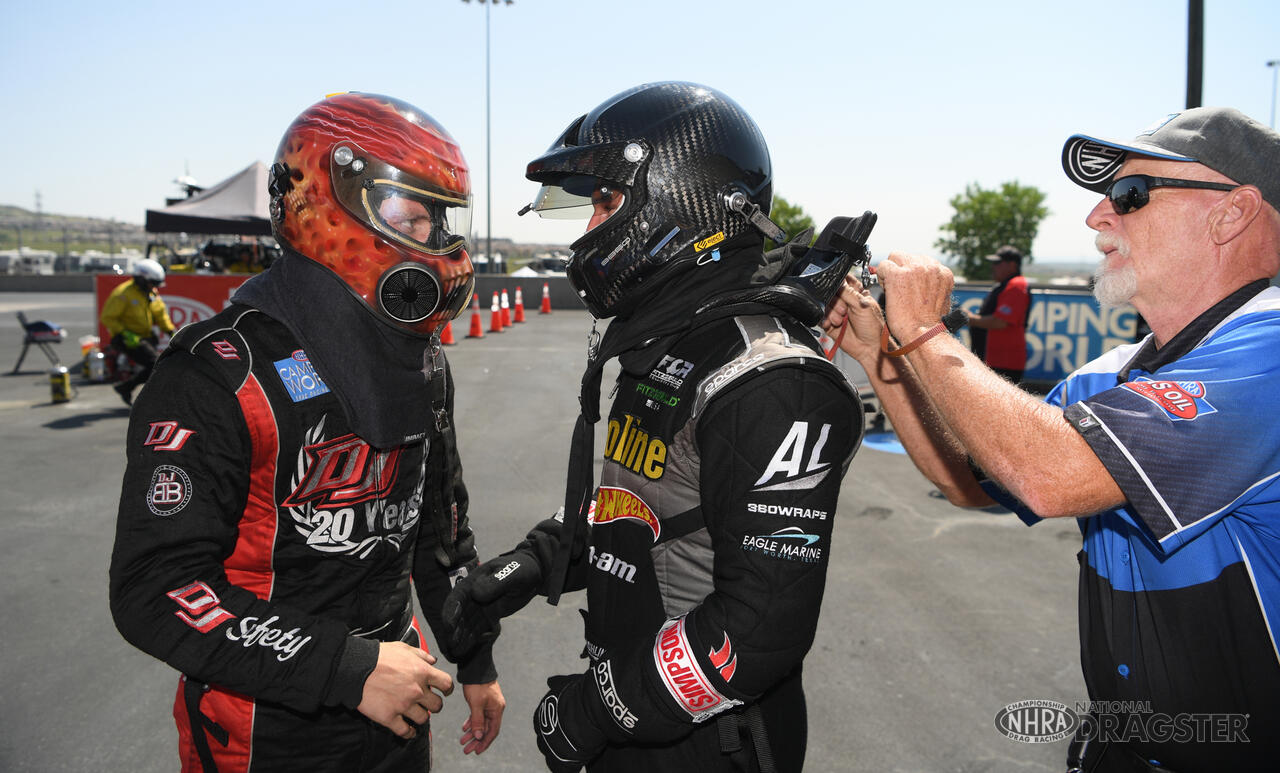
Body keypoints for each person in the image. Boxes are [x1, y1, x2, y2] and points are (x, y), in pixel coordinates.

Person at [825, 106, 1280, 772]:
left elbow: (1051, 474)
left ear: (1232, 213)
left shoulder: (1268, 353)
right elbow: (971, 481)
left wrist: (924, 331)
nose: (1098, 217)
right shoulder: (1111, 372)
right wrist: (883, 358)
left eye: (1130, 195)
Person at [440, 81, 863, 772]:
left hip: (709, 747)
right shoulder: (672, 340)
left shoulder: (771, 378)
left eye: (606, 203)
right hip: (643, 728)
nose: (588, 228)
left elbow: (756, 634)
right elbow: (654, 509)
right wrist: (535, 562)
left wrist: (594, 712)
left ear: (681, 198)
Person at [109, 92, 505, 772]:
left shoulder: (422, 359)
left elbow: (438, 530)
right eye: (412, 214)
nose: (439, 241)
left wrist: (475, 654)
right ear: (328, 202)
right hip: (269, 725)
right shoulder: (217, 374)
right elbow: (156, 585)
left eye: (441, 219)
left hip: (398, 703)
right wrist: (345, 667)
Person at [100, 257, 177, 405]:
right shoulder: (123, 293)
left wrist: (172, 333)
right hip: (124, 338)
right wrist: (124, 333)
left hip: (145, 337)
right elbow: (108, 317)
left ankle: (128, 388)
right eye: (151, 283)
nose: (154, 287)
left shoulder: (152, 294)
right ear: (141, 279)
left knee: (158, 366)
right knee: (156, 364)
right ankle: (130, 390)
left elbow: (161, 316)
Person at [965, 244, 1030, 383]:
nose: (993, 267)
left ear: (1012, 265)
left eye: (997, 263)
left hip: (1004, 361)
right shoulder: (1006, 285)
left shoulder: (1016, 285)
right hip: (996, 360)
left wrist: (970, 318)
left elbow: (1000, 322)